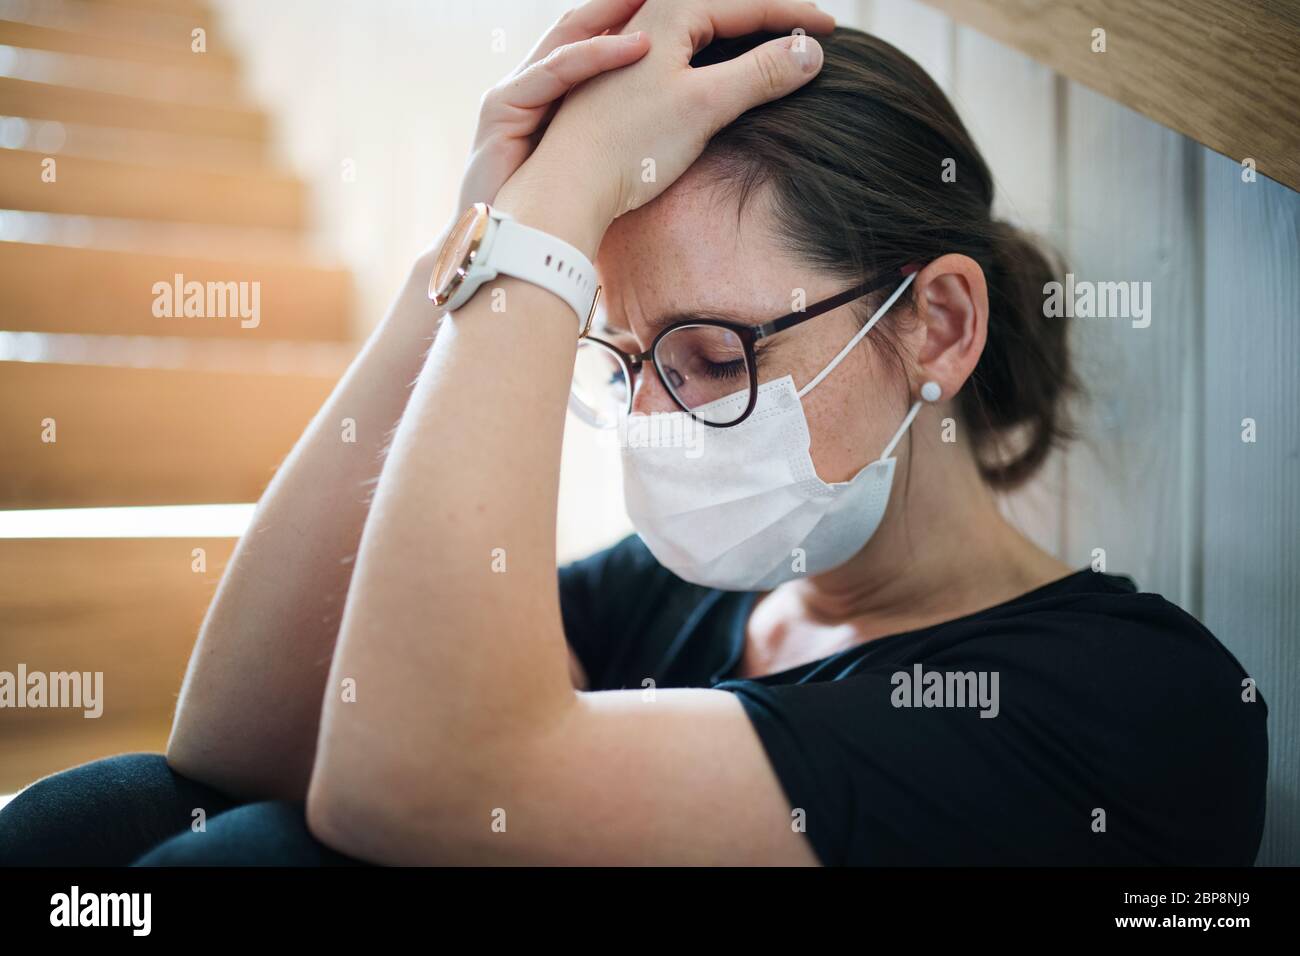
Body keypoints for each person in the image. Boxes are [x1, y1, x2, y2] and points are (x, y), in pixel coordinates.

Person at [0, 0, 1265, 866]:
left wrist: (551, 216)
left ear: (933, 325)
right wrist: (468, 244)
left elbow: (410, 780)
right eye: (624, 357)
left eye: (711, 356)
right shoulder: (678, 593)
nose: (655, 424)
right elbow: (240, 738)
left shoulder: (1138, 708)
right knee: (110, 814)